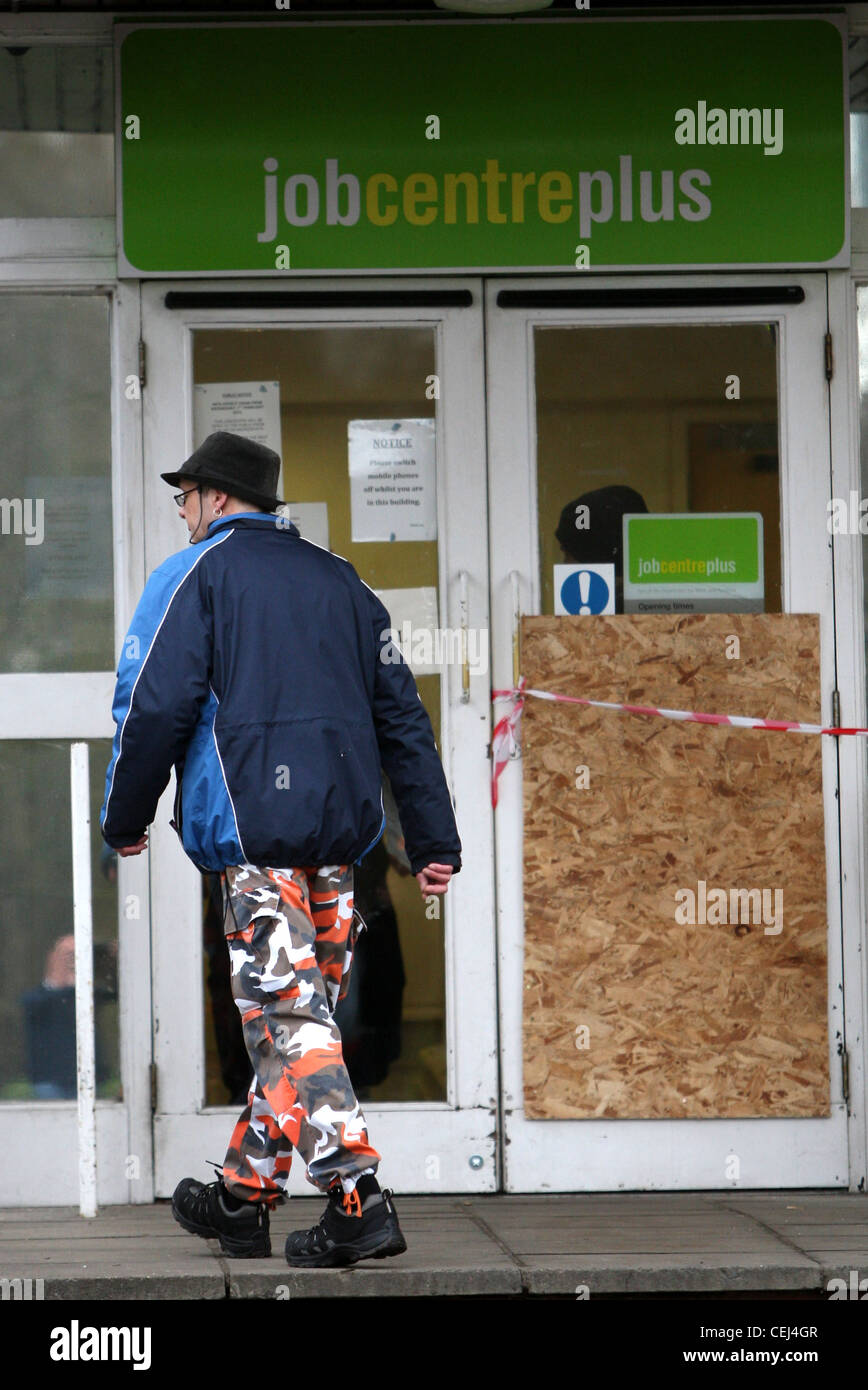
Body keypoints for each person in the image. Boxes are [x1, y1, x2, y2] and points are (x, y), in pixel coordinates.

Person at [99, 430, 461, 1267]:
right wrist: (433, 838)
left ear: (218, 497)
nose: (182, 513)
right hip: (340, 850)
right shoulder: (345, 583)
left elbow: (149, 709)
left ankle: (357, 1201)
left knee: (290, 1023)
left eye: (185, 497)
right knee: (299, 1027)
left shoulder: (194, 577)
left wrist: (126, 817)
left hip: (256, 847)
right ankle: (243, 1198)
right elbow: (403, 717)